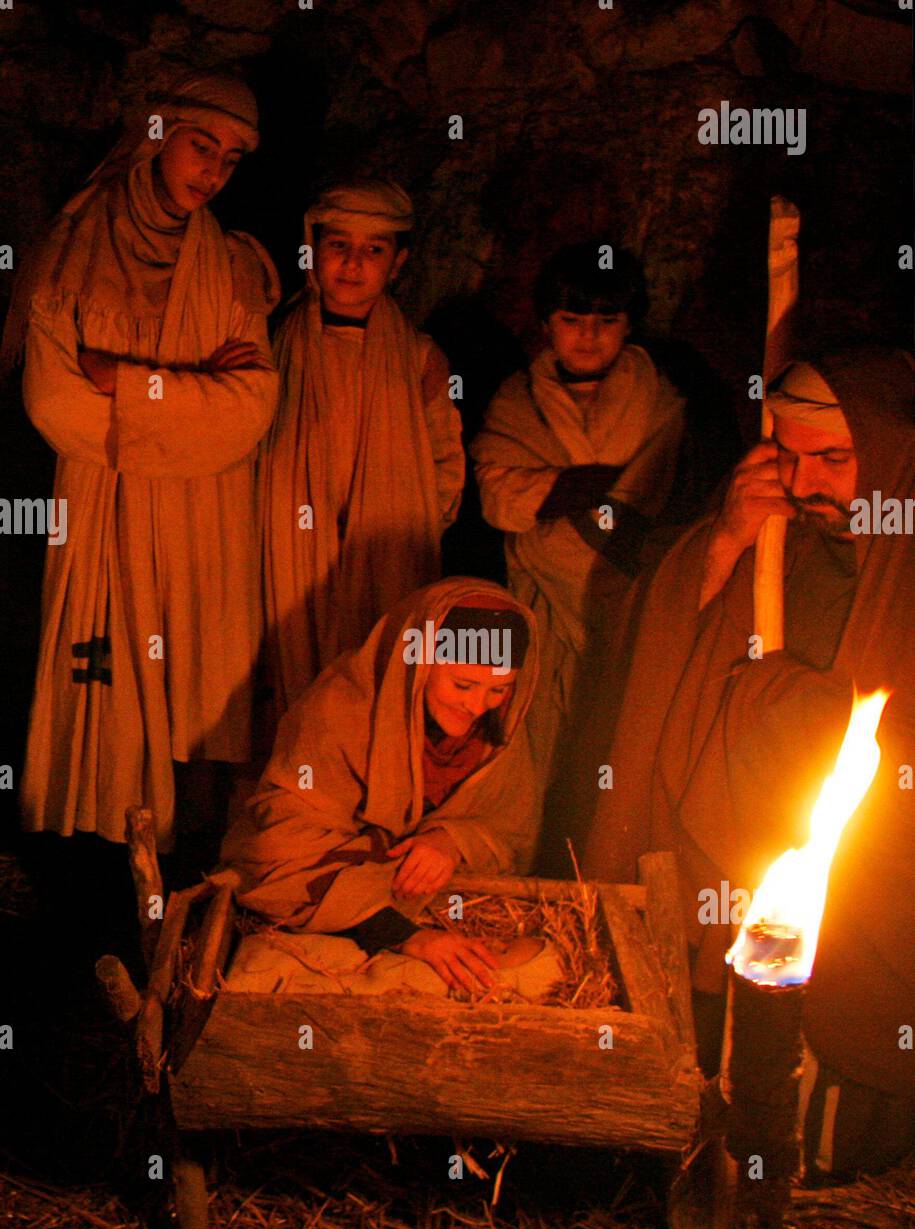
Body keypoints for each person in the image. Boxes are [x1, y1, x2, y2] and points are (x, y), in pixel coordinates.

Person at [583, 348, 915, 1177]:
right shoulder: (782, 534)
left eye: (832, 460)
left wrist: (788, 712)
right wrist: (726, 542)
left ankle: (830, 1159)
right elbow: (664, 657)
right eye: (787, 454)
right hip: (741, 836)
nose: (804, 483)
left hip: (873, 858)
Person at [2, 72, 279, 856]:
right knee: (107, 680)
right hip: (101, 505)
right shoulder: (72, 252)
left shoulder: (231, 266)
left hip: (201, 512)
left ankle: (182, 870)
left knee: (191, 692)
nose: (213, 172)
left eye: (231, 159)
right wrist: (195, 401)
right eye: (202, 147)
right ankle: (88, 860)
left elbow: (250, 411)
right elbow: (56, 405)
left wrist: (128, 381)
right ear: (161, 135)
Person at [215, 578, 548, 994]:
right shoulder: (339, 710)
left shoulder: (500, 730)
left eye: (498, 689)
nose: (478, 706)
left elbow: (515, 827)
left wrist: (452, 840)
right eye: (463, 685)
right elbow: (277, 846)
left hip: (437, 898)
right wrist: (403, 935)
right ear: (420, 661)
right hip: (338, 892)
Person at [473, 243, 689, 863]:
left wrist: (572, 500)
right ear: (546, 325)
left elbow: (664, 499)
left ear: (630, 324)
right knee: (535, 738)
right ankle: (522, 866)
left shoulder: (662, 404)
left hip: (627, 599)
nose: (587, 337)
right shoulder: (516, 403)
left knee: (614, 734)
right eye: (571, 321)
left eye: (605, 321)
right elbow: (496, 493)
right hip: (543, 609)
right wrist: (588, 490)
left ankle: (597, 866)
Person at [259, 179, 465, 720]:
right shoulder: (276, 345)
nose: (353, 263)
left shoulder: (419, 359)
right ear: (313, 250)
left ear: (398, 263)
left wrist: (397, 524)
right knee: (292, 695)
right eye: (338, 245)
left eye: (374, 250)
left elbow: (445, 468)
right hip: (289, 559)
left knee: (374, 698)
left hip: (384, 558)